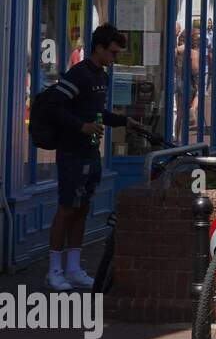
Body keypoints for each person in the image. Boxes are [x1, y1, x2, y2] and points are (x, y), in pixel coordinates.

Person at [44, 24, 148, 291]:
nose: (114, 59)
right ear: (99, 48)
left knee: (82, 209)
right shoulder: (79, 75)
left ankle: (74, 267)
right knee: (66, 209)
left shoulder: (101, 76)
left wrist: (125, 121)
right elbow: (54, 106)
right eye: (112, 53)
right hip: (72, 152)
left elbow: (97, 113)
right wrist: (82, 127)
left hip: (90, 152)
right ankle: (54, 271)